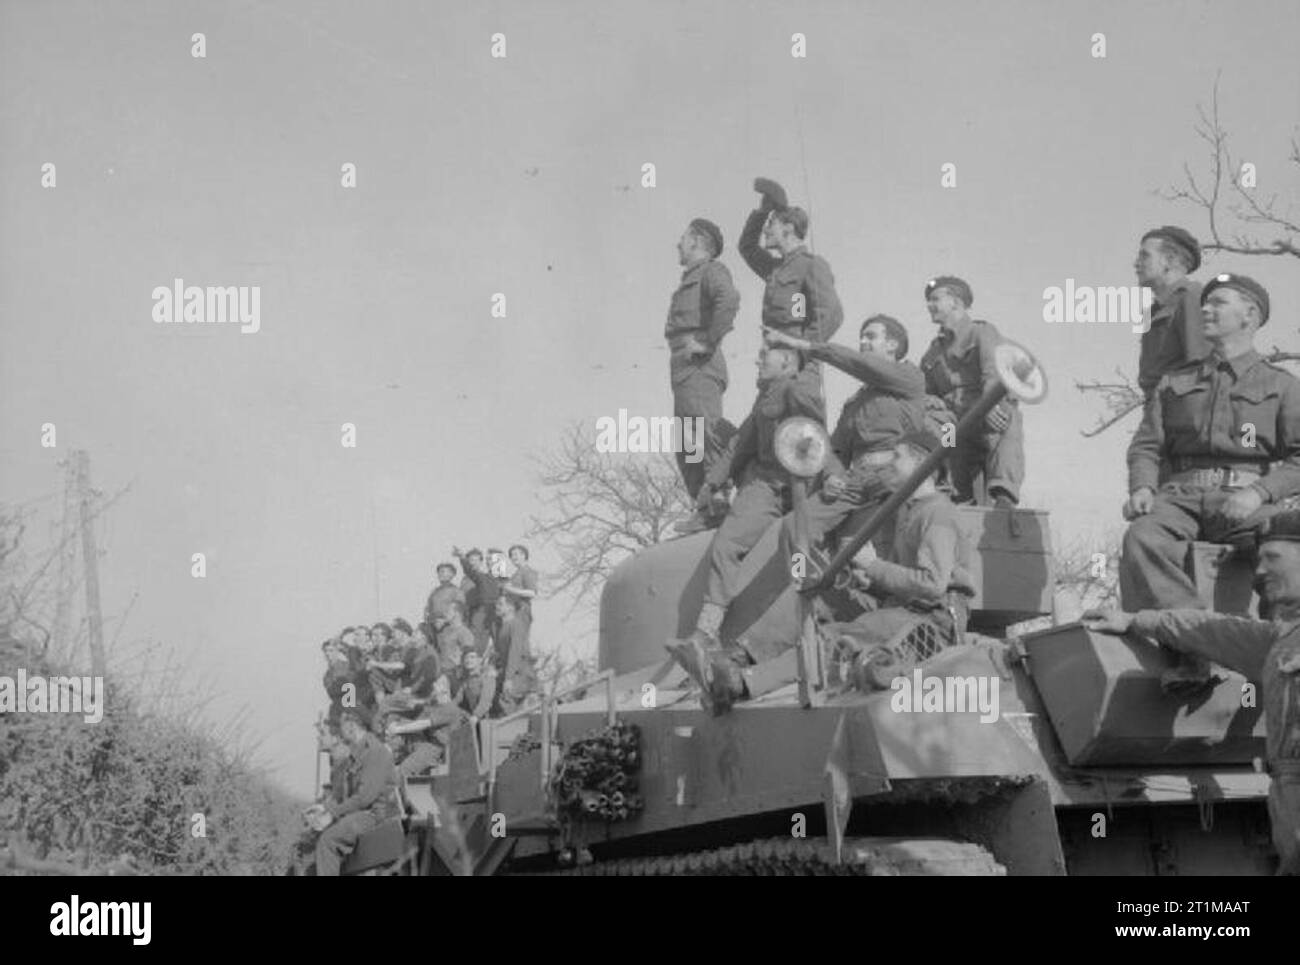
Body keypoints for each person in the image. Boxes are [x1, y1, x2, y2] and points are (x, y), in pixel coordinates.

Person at [1084, 507, 1300, 875]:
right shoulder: (1278, 638)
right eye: (1259, 558)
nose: (1260, 570)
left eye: (1272, 557)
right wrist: (1136, 620)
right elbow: (1207, 629)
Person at [1121, 273, 1300, 692]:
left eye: (1218, 303)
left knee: (1283, 546)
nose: (1205, 309)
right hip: (1179, 496)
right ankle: (1191, 653)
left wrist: (1258, 491)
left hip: (1248, 497)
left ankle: (1286, 650)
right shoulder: (1174, 382)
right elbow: (1147, 446)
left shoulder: (1281, 385)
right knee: (1143, 537)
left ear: (1249, 315)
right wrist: (1142, 488)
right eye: (1204, 303)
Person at [667, 344, 826, 705]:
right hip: (769, 484)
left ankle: (800, 630)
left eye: (764, 357)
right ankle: (706, 631)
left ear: (786, 362)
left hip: (806, 481)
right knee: (727, 544)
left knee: (803, 551)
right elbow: (742, 443)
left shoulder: (797, 389)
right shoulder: (766, 397)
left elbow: (814, 430)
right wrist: (714, 482)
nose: (756, 361)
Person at [766, 314, 927, 562]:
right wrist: (832, 475)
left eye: (871, 336)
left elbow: (859, 364)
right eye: (861, 337)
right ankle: (811, 584)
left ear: (892, 345)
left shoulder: (910, 377)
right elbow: (836, 450)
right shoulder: (855, 403)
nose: (863, 342)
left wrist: (807, 346)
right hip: (856, 480)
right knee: (795, 526)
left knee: (900, 535)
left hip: (896, 472)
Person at [824, 431, 977, 691]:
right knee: (822, 603)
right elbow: (903, 581)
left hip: (930, 623)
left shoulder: (937, 512)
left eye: (897, 456)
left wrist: (873, 565)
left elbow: (932, 585)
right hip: (906, 613)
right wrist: (867, 581)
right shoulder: (911, 511)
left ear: (921, 463)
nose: (889, 463)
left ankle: (746, 682)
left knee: (833, 638)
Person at [918, 276, 1023, 507]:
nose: (929, 305)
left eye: (935, 299)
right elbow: (925, 393)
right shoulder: (932, 354)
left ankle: (1004, 493)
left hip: (984, 410)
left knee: (1007, 415)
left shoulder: (981, 332)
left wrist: (989, 405)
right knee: (942, 431)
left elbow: (993, 371)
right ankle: (958, 494)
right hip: (954, 421)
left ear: (955, 302)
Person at [666, 217, 741, 531]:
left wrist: (708, 341)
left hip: (700, 364)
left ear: (697, 241)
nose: (678, 244)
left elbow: (729, 300)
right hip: (684, 366)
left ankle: (718, 502)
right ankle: (704, 507)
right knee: (688, 442)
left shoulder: (711, 271)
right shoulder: (691, 277)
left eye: (683, 238)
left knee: (703, 434)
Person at [738, 179, 844, 384]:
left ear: (788, 228)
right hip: (773, 363)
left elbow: (832, 314)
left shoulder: (811, 265)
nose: (765, 230)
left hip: (797, 369)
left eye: (771, 223)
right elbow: (747, 248)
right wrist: (762, 212)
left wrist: (801, 351)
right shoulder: (776, 269)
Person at [314, 709, 399, 877]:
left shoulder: (376, 752)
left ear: (352, 726)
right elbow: (346, 793)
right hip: (364, 812)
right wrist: (325, 810)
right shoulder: (357, 752)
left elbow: (364, 797)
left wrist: (332, 814)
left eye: (342, 725)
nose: (340, 729)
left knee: (328, 842)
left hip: (377, 815)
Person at [1135, 226, 1208, 398]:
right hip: (1158, 414)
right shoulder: (1151, 311)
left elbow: (1206, 369)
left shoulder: (1191, 297)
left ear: (1169, 260)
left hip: (1185, 414)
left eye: (1145, 256)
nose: (1136, 263)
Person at [493, 595, 538, 714]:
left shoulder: (516, 625)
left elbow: (515, 653)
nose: (496, 607)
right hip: (511, 674)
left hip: (521, 675)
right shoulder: (502, 628)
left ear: (511, 608)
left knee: (507, 700)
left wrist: (508, 679)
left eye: (500, 604)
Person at [454, 648, 498, 720]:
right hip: (478, 719)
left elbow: (485, 701)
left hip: (494, 718)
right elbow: (457, 699)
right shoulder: (466, 680)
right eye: (466, 657)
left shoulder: (487, 675)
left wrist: (476, 715)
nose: (468, 660)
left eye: (472, 657)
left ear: (479, 659)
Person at [504, 544, 539, 628]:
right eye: (511, 555)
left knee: (518, 639)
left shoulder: (527, 571)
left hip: (521, 610)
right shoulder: (516, 574)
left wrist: (510, 589)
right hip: (512, 611)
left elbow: (532, 593)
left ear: (524, 555)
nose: (513, 557)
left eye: (516, 554)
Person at [424, 562, 466, 630]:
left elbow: (457, 611)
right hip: (433, 626)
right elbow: (427, 609)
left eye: (443, 572)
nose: (440, 574)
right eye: (439, 572)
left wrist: (445, 621)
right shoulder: (434, 592)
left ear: (452, 574)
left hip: (450, 627)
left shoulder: (456, 591)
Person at [434, 602, 476, 668]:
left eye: (447, 611)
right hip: (441, 668)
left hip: (454, 672)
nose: (444, 613)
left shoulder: (465, 633)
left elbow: (468, 658)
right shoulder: (445, 630)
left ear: (457, 613)